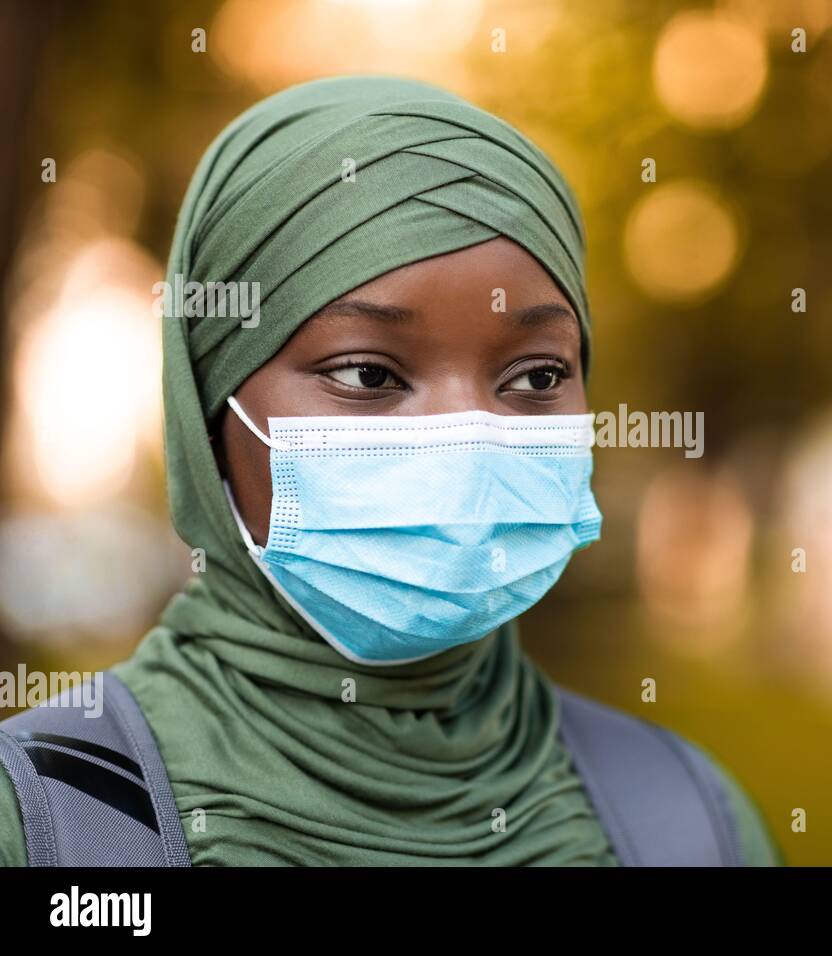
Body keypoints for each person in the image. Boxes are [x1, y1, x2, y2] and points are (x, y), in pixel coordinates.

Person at [0, 75, 781, 867]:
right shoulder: (49, 822)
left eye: (537, 377)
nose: (465, 441)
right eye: (369, 375)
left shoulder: (691, 822)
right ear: (210, 413)